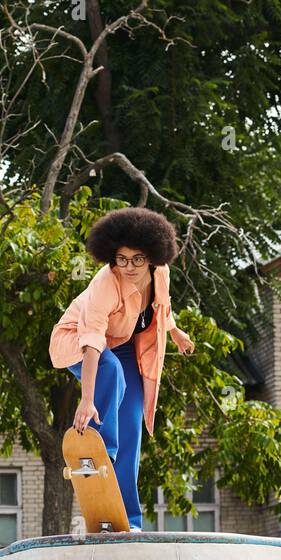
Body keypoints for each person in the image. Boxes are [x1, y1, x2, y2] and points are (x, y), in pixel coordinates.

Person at [48, 207, 195, 530]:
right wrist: (87, 400)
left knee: (131, 424)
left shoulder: (161, 274)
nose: (129, 267)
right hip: (77, 341)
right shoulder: (105, 284)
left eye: (137, 259)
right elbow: (91, 344)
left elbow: (161, 308)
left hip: (122, 344)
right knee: (110, 370)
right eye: (121, 259)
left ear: (153, 258)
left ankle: (129, 518)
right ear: (112, 258)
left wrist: (175, 332)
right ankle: (102, 451)